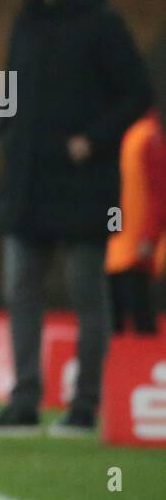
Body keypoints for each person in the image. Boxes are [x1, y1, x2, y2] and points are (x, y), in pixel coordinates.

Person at [0, 0, 153, 438]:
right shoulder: (25, 22)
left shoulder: (103, 24)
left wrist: (92, 140)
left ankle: (84, 406)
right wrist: (7, 133)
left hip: (81, 182)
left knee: (85, 293)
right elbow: (10, 85)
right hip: (27, 180)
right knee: (20, 288)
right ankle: (24, 401)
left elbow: (137, 94)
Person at [106, 106, 166, 334]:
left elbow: (159, 194)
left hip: (137, 250)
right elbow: (115, 194)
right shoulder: (119, 136)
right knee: (113, 321)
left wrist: (149, 237)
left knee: (141, 317)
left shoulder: (146, 138)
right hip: (115, 249)